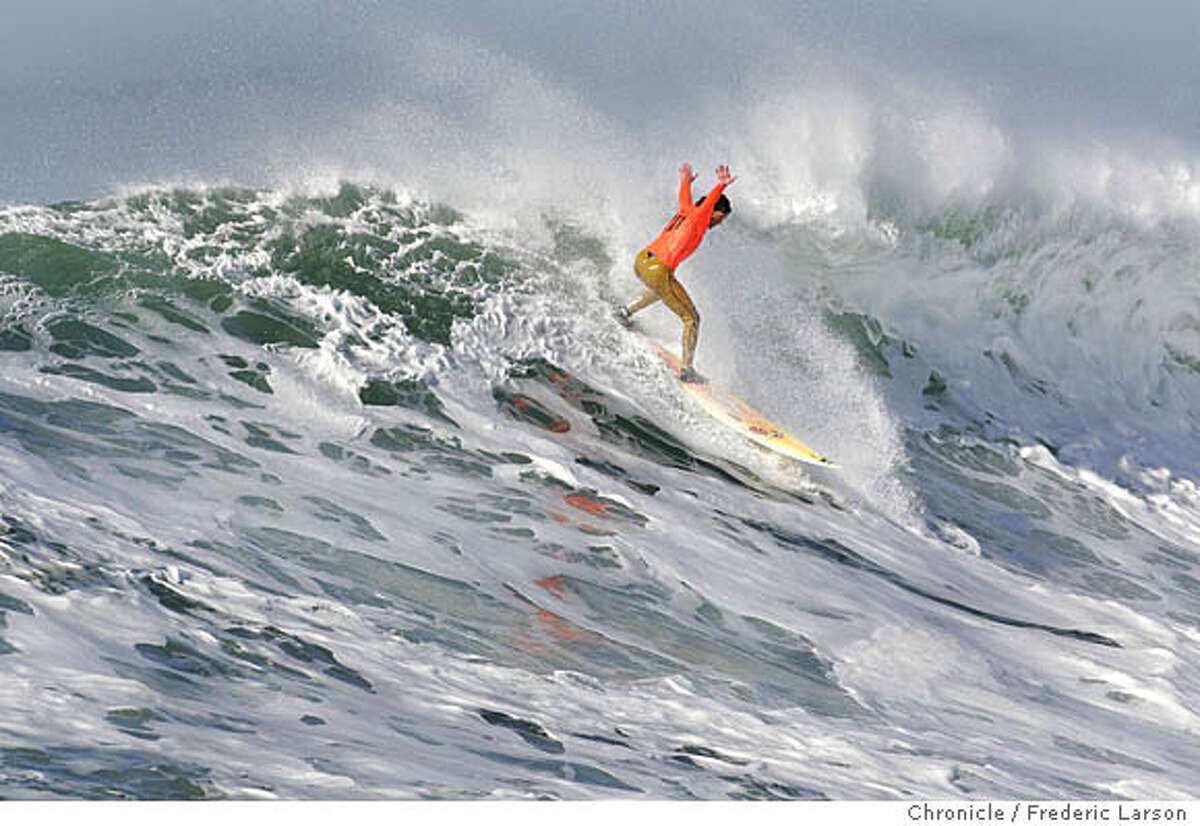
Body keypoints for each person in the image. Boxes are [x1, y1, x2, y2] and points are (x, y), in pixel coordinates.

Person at [616, 162, 735, 383]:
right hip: (659, 269)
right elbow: (708, 205)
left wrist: (685, 182)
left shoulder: (686, 211)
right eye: (719, 217)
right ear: (712, 211)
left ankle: (624, 312)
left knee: (661, 291)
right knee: (692, 318)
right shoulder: (699, 217)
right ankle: (687, 369)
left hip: (643, 261)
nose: (718, 223)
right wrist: (721, 186)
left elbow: (684, 198)